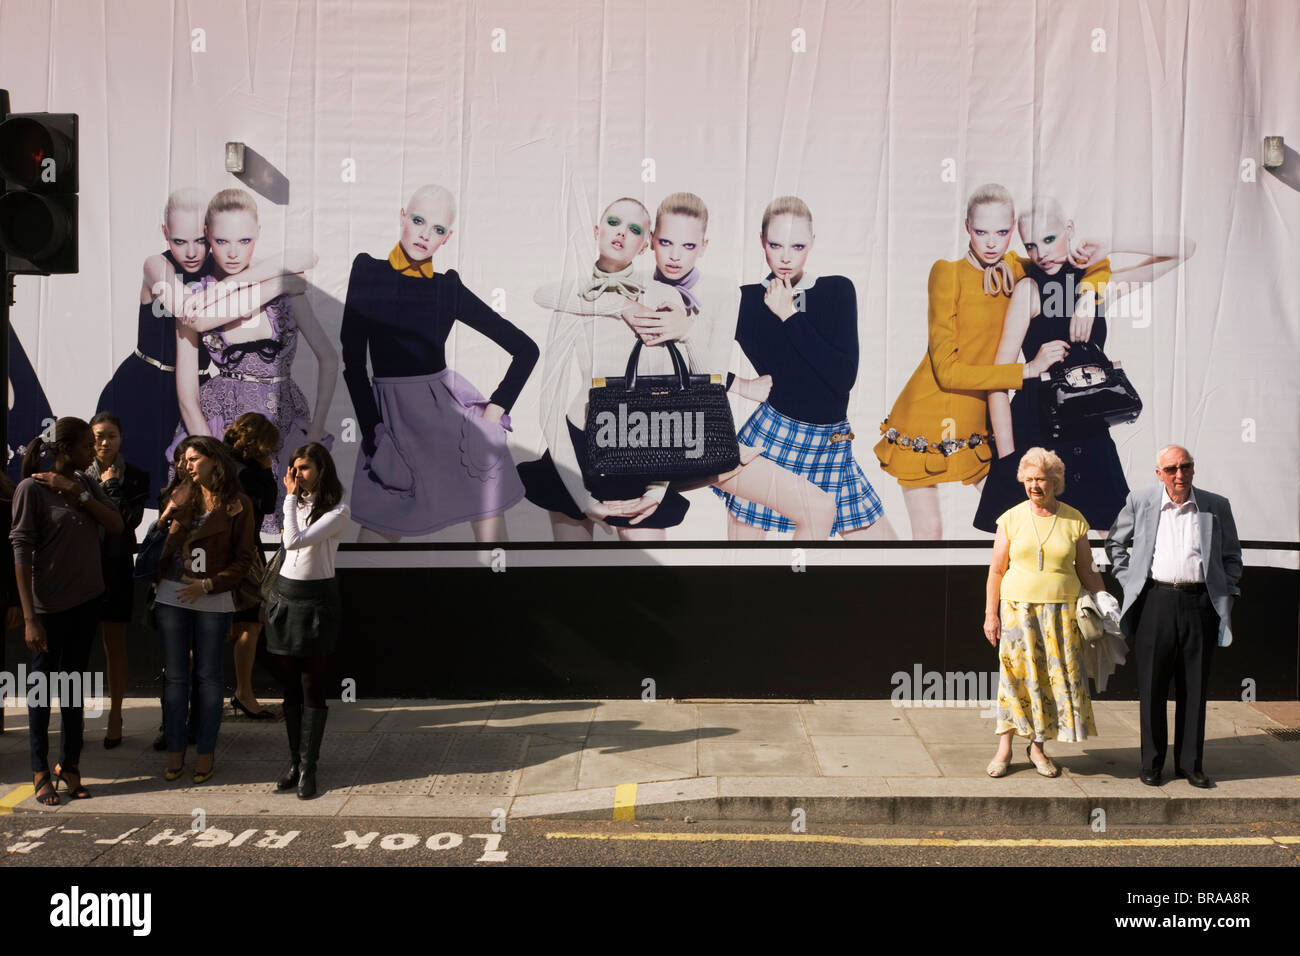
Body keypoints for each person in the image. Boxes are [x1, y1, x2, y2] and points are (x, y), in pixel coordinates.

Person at [549, 191, 835, 540]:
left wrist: (688, 334)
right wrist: (619, 305)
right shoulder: (630, 289)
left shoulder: (720, 292)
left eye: (687, 246)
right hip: (622, 436)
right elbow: (555, 295)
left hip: (685, 436)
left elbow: (705, 385)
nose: (674, 255)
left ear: (704, 245)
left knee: (816, 507)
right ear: (650, 243)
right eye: (666, 242)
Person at [876, 184, 1109, 539]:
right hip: (928, 412)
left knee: (1027, 526)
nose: (990, 243)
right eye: (981, 231)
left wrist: (1089, 294)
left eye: (1001, 233)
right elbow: (946, 369)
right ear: (967, 227)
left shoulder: (1020, 269)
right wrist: (1026, 371)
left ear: (1013, 230)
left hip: (981, 420)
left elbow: (1090, 265)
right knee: (930, 536)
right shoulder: (947, 272)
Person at [975, 198, 1194, 534]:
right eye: (1030, 244)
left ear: (1070, 230)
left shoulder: (1095, 285)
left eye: (1049, 239)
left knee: (1111, 532)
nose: (1040, 253)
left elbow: (1183, 249)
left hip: (1088, 424)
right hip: (1037, 425)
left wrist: (1105, 255)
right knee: (1039, 539)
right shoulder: (1029, 289)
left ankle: (1103, 589)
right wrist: (1008, 460)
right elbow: (997, 382)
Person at [341, 185, 538, 543]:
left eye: (437, 229)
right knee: (368, 561)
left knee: (497, 558)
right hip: (393, 428)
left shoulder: (446, 288)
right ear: (403, 217)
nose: (424, 234)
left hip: (455, 432)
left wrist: (495, 411)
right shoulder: (368, 272)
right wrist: (376, 438)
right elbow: (353, 365)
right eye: (418, 221)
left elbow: (526, 348)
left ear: (447, 238)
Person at [97, 188, 307, 503]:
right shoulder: (157, 264)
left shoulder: (222, 264)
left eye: (200, 240)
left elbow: (303, 257)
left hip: (193, 383)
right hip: (141, 388)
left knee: (186, 492)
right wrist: (275, 284)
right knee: (129, 493)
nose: (192, 252)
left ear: (209, 234)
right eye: (179, 241)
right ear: (165, 233)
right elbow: (187, 310)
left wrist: (248, 282)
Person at [714, 196, 894, 540]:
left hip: (831, 444)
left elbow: (843, 378)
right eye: (775, 244)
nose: (785, 256)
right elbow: (686, 349)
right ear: (761, 241)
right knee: (743, 571)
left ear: (812, 243)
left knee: (889, 558)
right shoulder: (746, 301)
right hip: (772, 439)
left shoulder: (836, 290)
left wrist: (790, 316)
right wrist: (739, 384)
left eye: (797, 245)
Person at [169, 188, 336, 533]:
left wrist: (315, 432)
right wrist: (212, 454)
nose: (232, 252)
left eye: (244, 240)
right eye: (221, 240)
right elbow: (186, 395)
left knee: (286, 525)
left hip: (283, 415)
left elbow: (330, 359)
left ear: (258, 235)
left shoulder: (286, 289)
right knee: (215, 527)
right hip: (220, 419)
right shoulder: (192, 298)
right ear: (207, 237)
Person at [1104, 445, 1242, 789]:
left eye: (1185, 467)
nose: (1179, 474)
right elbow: (1114, 544)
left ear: (1193, 469)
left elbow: (1232, 556)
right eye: (1171, 469)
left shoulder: (1215, 505)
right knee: (1151, 687)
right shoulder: (1141, 501)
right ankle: (1151, 763)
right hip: (1156, 602)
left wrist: (1227, 588)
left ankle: (1190, 764)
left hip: (1200, 604)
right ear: (1158, 473)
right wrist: (1131, 579)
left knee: (1194, 688)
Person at [10, 418, 124, 805]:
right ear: (65, 449)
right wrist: (29, 617)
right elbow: (21, 552)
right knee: (42, 691)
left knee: (75, 689)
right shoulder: (30, 490)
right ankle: (40, 770)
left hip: (86, 603)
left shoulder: (85, 484)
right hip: (47, 609)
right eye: (85, 445)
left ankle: (69, 766)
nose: (92, 451)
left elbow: (116, 524)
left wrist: (76, 493)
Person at [983, 447, 1107, 778]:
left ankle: (1038, 747)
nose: (1035, 486)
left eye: (1041, 479)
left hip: (1061, 615)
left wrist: (1104, 598)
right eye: (1029, 479)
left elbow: (1087, 568)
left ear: (1055, 481)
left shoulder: (1074, 519)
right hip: (1016, 611)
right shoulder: (1010, 518)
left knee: (1051, 683)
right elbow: (996, 570)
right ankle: (1004, 748)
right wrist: (990, 615)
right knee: (1015, 679)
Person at [154, 435, 257, 785]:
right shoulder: (178, 496)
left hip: (213, 596)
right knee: (175, 676)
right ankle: (174, 750)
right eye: (184, 459)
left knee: (209, 676)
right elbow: (157, 545)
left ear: (215, 461)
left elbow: (244, 558)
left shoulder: (237, 504)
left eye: (194, 458)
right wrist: (168, 513)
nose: (187, 465)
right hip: (172, 594)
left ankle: (206, 751)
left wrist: (209, 585)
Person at [264, 442, 350, 799]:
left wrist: (287, 498)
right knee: (289, 688)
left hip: (317, 602)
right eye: (294, 468)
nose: (297, 475)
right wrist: (291, 501)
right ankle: (293, 764)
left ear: (321, 470)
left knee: (311, 686)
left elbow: (295, 540)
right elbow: (287, 540)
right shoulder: (294, 504)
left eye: (305, 469)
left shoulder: (339, 510)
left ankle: (309, 768)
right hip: (285, 597)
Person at [86, 412, 149, 748]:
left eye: (110, 435)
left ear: (121, 438)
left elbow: (126, 523)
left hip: (116, 567)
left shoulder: (136, 478)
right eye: (98, 436)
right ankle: (73, 716)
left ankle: (115, 714)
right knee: (76, 646)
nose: (104, 442)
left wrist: (111, 486)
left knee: (115, 643)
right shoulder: (77, 475)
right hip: (79, 568)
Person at [223, 413, 280, 718]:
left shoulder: (229, 464)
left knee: (245, 623)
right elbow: (268, 505)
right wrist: (268, 470)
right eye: (270, 447)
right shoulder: (244, 474)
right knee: (245, 623)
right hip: (239, 557)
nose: (272, 452)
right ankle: (243, 693)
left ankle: (241, 693)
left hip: (235, 555)